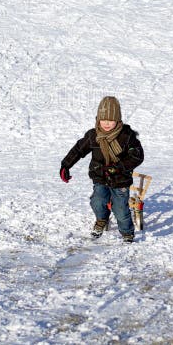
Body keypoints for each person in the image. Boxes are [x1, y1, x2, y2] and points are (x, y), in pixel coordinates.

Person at [59, 96, 145, 243]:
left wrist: (119, 167)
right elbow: (78, 149)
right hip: (100, 177)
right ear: (98, 119)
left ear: (118, 121)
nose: (106, 123)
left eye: (111, 120)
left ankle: (127, 233)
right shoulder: (93, 135)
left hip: (120, 180)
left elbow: (137, 156)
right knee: (97, 202)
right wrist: (66, 165)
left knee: (121, 210)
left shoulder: (127, 136)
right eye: (103, 119)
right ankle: (102, 219)